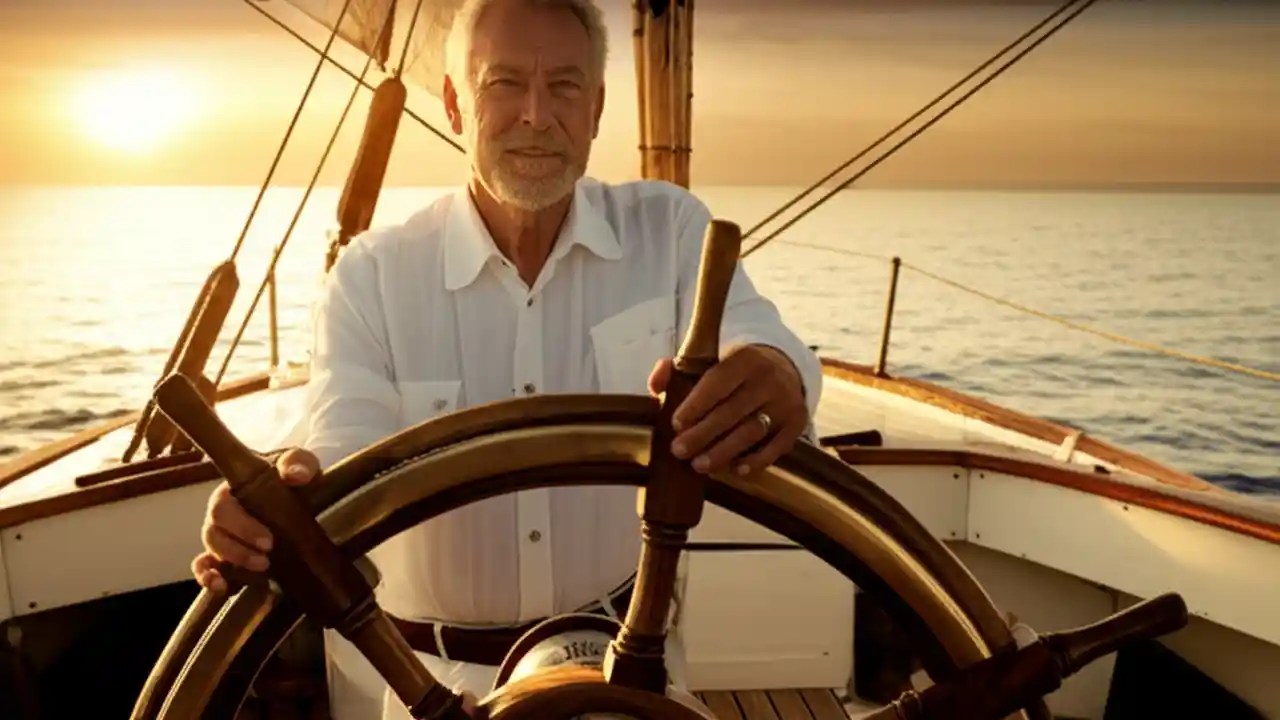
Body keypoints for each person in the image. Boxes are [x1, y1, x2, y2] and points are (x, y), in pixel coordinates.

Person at [191, 0, 823, 716]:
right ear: (456, 105)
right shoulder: (370, 278)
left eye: (564, 86)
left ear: (596, 108)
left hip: (630, 671)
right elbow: (339, 459)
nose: (535, 114)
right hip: (434, 684)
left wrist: (774, 374)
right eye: (503, 85)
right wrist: (282, 507)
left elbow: (756, 338)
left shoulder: (671, 233)